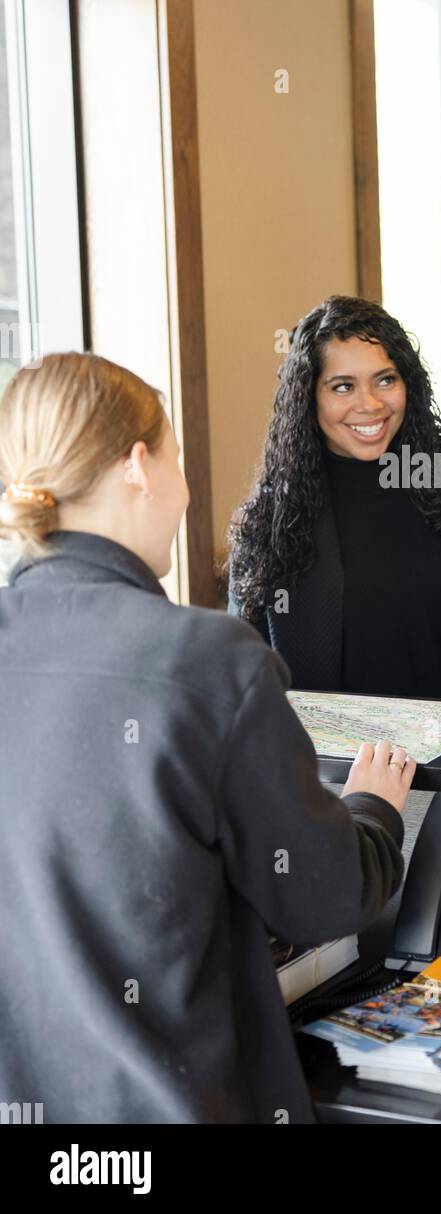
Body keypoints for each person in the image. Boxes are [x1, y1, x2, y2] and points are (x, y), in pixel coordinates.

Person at [0, 351, 414, 1124]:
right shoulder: (206, 660)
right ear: (137, 467)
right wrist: (372, 812)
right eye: (177, 459)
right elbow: (322, 899)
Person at [228, 296, 441, 698]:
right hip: (344, 758)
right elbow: (245, 677)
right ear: (309, 396)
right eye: (343, 386)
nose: (370, 404)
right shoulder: (274, 518)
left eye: (385, 380)